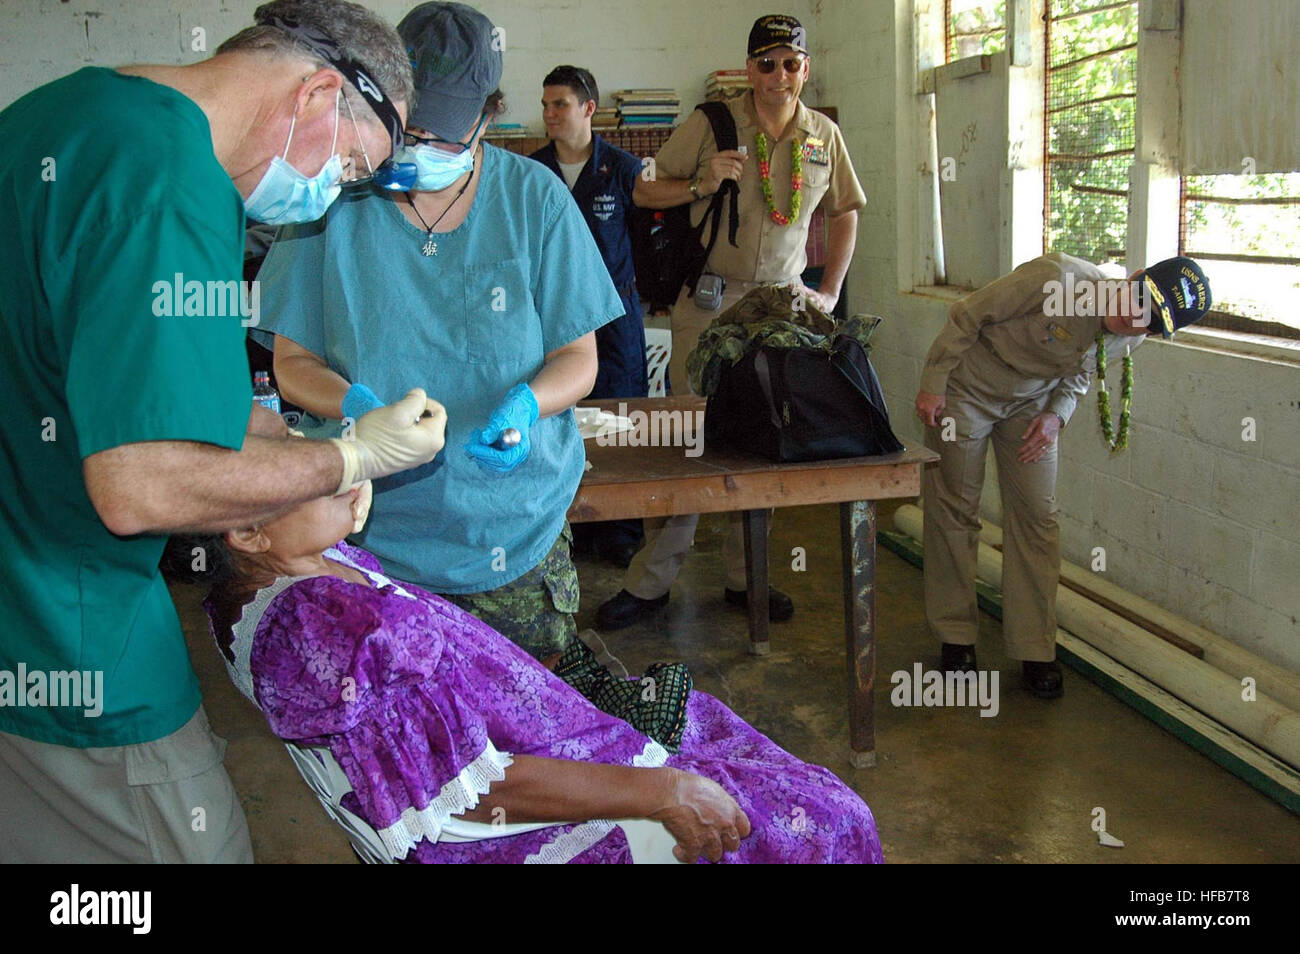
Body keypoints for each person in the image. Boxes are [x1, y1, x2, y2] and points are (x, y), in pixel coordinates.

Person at [0, 0, 447, 864]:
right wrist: (349, 457)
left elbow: (137, 388)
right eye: (350, 166)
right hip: (66, 629)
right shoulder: (171, 178)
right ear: (321, 92)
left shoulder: (65, 115)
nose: (324, 200)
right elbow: (142, 484)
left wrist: (291, 443)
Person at [163, 488, 884, 864]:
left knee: (729, 734)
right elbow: (464, 797)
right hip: (532, 826)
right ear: (248, 535)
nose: (343, 470)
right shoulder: (321, 630)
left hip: (555, 749)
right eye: (311, 475)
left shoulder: (307, 571)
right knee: (828, 818)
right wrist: (663, 789)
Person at [258, 5, 624, 677]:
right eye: (408, 132)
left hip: (511, 529)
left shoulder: (532, 200)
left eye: (442, 138)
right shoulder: (333, 205)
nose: (420, 150)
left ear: (489, 115)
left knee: (526, 726)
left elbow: (579, 359)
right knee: (402, 729)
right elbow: (293, 364)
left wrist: (527, 405)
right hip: (370, 537)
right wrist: (357, 410)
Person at [597, 13, 868, 631]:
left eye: (791, 63)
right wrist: (699, 181)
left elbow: (848, 208)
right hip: (712, 305)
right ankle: (651, 583)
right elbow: (645, 191)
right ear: (749, 69)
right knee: (690, 439)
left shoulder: (822, 135)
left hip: (780, 309)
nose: (779, 76)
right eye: (767, 63)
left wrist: (828, 289)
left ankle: (749, 581)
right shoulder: (713, 124)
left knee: (766, 441)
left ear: (806, 68)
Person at [914, 254, 1211, 698]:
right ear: (1132, 277)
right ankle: (956, 638)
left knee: (1039, 518)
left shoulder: (1132, 339)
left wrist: (1057, 416)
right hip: (970, 388)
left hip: (1033, 404)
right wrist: (934, 381)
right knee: (956, 509)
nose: (1134, 317)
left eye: (1150, 320)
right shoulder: (1059, 280)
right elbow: (969, 313)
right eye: (1138, 298)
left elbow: (1081, 374)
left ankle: (1034, 645)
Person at [530, 65, 648, 569]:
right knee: (562, 416)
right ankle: (568, 523)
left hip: (616, 315)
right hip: (553, 313)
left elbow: (645, 236)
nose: (550, 114)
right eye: (545, 105)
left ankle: (622, 530)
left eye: (560, 104)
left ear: (588, 109)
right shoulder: (532, 172)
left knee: (619, 418)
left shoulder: (623, 168)